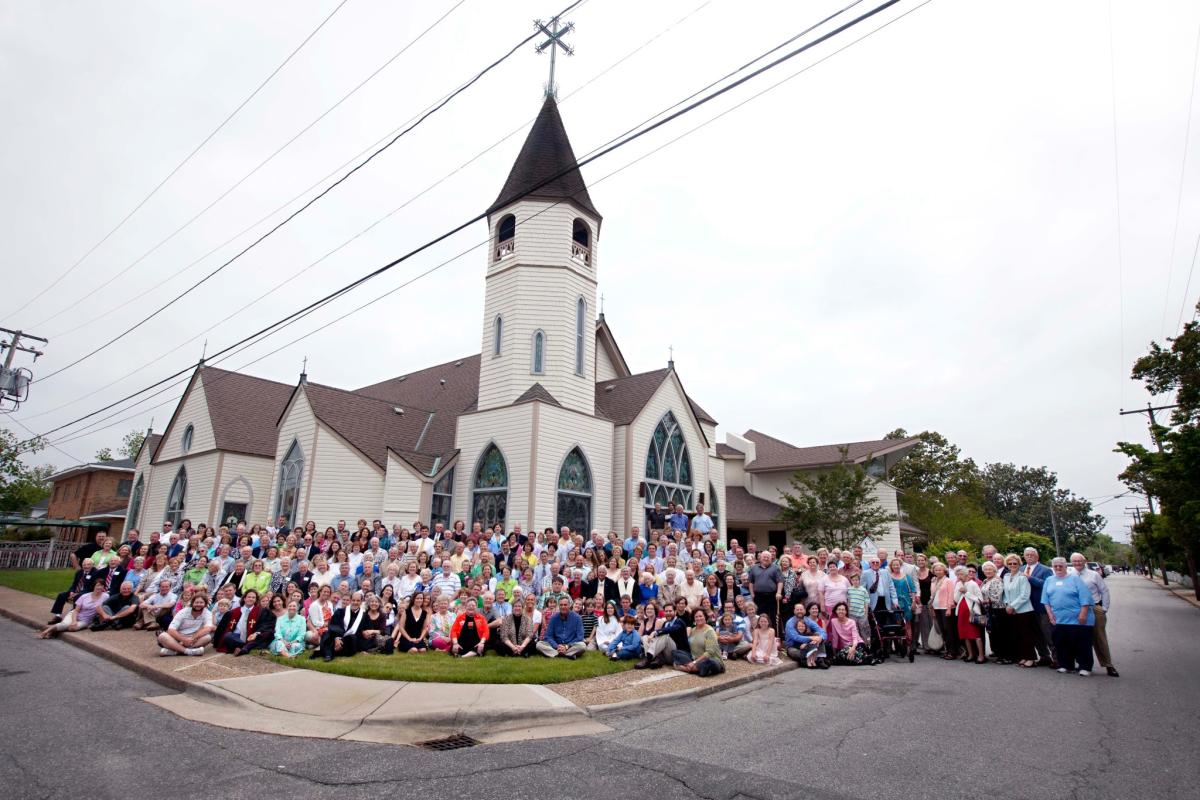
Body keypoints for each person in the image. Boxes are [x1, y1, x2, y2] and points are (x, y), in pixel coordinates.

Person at [1042, 557, 1094, 676]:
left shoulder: (1075, 579)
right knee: (1061, 643)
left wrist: (1083, 613)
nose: (1058, 568)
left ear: (1066, 567)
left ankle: (1085, 666)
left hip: (1078, 619)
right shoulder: (1049, 580)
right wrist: (1050, 615)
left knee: (1082, 644)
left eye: (1061, 566)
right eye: (1055, 566)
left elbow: (1085, 597)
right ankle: (1066, 665)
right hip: (1059, 619)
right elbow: (1045, 600)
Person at [1069, 552, 1118, 677]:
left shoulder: (1094, 574)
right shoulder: (1070, 575)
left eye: (1079, 561)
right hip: (1077, 609)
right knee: (1080, 639)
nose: (1077, 563)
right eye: (1074, 561)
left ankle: (1108, 665)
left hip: (1094, 607)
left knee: (1099, 637)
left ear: (1084, 561)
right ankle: (1082, 663)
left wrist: (1104, 607)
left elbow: (1104, 591)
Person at [38, 581, 106, 639]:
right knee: (65, 624)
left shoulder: (105, 596)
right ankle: (46, 632)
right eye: (98, 585)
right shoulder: (84, 596)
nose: (100, 587)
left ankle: (54, 631)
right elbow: (76, 610)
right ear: (94, 586)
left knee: (72, 628)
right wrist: (74, 621)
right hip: (74, 615)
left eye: (102, 586)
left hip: (85, 620)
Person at [1022, 547, 1055, 666]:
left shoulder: (1045, 570)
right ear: (1024, 557)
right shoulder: (1021, 569)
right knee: (1036, 634)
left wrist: (1030, 578)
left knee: (1048, 633)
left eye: (1032, 555)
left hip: (1041, 607)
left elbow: (1047, 585)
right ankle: (1044, 657)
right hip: (1027, 608)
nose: (1029, 557)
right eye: (1027, 555)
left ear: (1037, 557)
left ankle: (1057, 658)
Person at [672, 608, 724, 676]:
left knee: (709, 663)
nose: (698, 618)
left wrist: (694, 662)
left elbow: (710, 653)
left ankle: (688, 668)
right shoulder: (693, 630)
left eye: (700, 616)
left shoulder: (710, 631)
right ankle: (695, 669)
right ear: (694, 619)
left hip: (711, 659)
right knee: (676, 653)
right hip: (695, 659)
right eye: (696, 617)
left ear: (705, 617)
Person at [317, 591, 367, 661]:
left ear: (361, 602)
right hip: (336, 636)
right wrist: (337, 638)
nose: (355, 602)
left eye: (358, 600)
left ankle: (329, 652)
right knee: (326, 633)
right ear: (350, 601)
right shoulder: (340, 611)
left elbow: (363, 632)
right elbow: (334, 625)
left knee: (352, 638)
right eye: (353, 600)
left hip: (349, 640)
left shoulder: (364, 615)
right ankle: (329, 653)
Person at [953, 566, 986, 664]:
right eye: (957, 574)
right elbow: (955, 599)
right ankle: (970, 654)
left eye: (961, 574)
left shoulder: (973, 584)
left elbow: (980, 600)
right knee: (965, 634)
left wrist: (966, 592)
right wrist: (960, 592)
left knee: (976, 635)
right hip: (961, 612)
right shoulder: (958, 584)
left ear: (966, 574)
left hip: (972, 612)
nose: (959, 576)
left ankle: (981, 656)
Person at [785, 602, 828, 669]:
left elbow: (821, 631)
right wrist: (811, 638)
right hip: (793, 646)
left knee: (818, 636)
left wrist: (820, 637)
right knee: (798, 654)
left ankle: (819, 660)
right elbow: (795, 637)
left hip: (808, 645)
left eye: (801, 609)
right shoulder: (790, 623)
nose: (799, 611)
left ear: (804, 611)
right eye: (797, 610)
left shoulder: (808, 620)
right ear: (794, 611)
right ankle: (814, 659)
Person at [748, 551, 782, 627]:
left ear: (771, 558)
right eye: (764, 557)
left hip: (772, 595)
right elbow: (751, 582)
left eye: (768, 557)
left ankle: (775, 634)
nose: (766, 559)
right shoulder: (754, 568)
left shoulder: (775, 568)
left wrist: (779, 592)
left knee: (773, 615)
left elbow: (780, 581)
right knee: (759, 615)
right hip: (759, 596)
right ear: (760, 558)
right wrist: (752, 594)